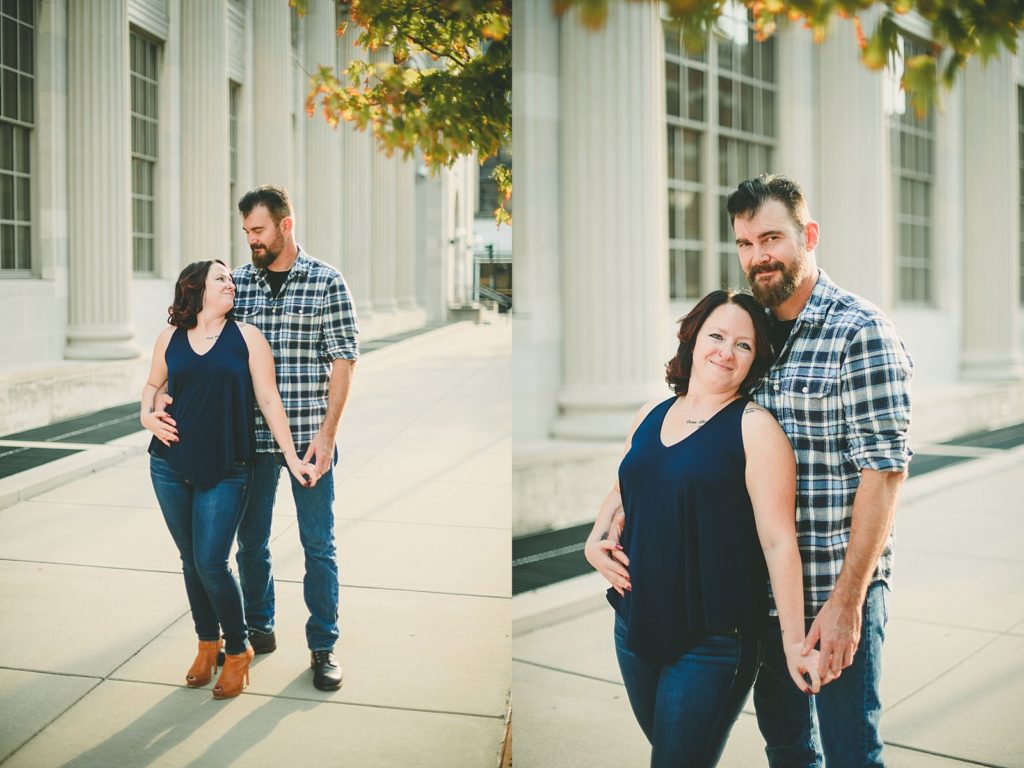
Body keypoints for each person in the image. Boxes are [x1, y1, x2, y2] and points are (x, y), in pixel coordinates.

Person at [599, 175, 914, 767]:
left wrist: (848, 602)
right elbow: (669, 449)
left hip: (832, 587)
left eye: (771, 238)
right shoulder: (748, 330)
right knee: (790, 749)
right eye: (745, 243)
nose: (757, 256)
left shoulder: (861, 332)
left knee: (851, 752)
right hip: (755, 600)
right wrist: (606, 527)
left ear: (808, 235)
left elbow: (885, 473)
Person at [584, 290, 825, 767]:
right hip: (634, 621)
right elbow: (625, 486)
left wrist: (795, 644)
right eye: (717, 335)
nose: (726, 351)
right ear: (693, 339)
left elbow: (779, 543)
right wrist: (594, 539)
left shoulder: (755, 428)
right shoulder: (651, 413)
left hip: (715, 640)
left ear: (755, 361)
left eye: (744, 345)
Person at [150, 185, 358, 691]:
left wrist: (328, 436)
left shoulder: (327, 281)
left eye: (258, 230)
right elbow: (197, 351)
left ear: (286, 226)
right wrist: (156, 401)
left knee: (317, 544)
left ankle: (322, 645)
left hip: (308, 439)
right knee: (250, 547)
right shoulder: (236, 284)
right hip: (247, 446)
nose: (251, 241)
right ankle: (258, 630)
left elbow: (344, 362)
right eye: (246, 232)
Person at [141, 259, 317, 699]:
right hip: (168, 464)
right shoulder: (170, 337)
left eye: (232, 279)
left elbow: (269, 399)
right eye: (221, 278)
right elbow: (152, 386)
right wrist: (147, 416)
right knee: (189, 560)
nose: (231, 284)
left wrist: (292, 459)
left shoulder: (248, 338)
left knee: (212, 563)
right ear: (196, 288)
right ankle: (207, 643)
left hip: (226, 467)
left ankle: (237, 650)